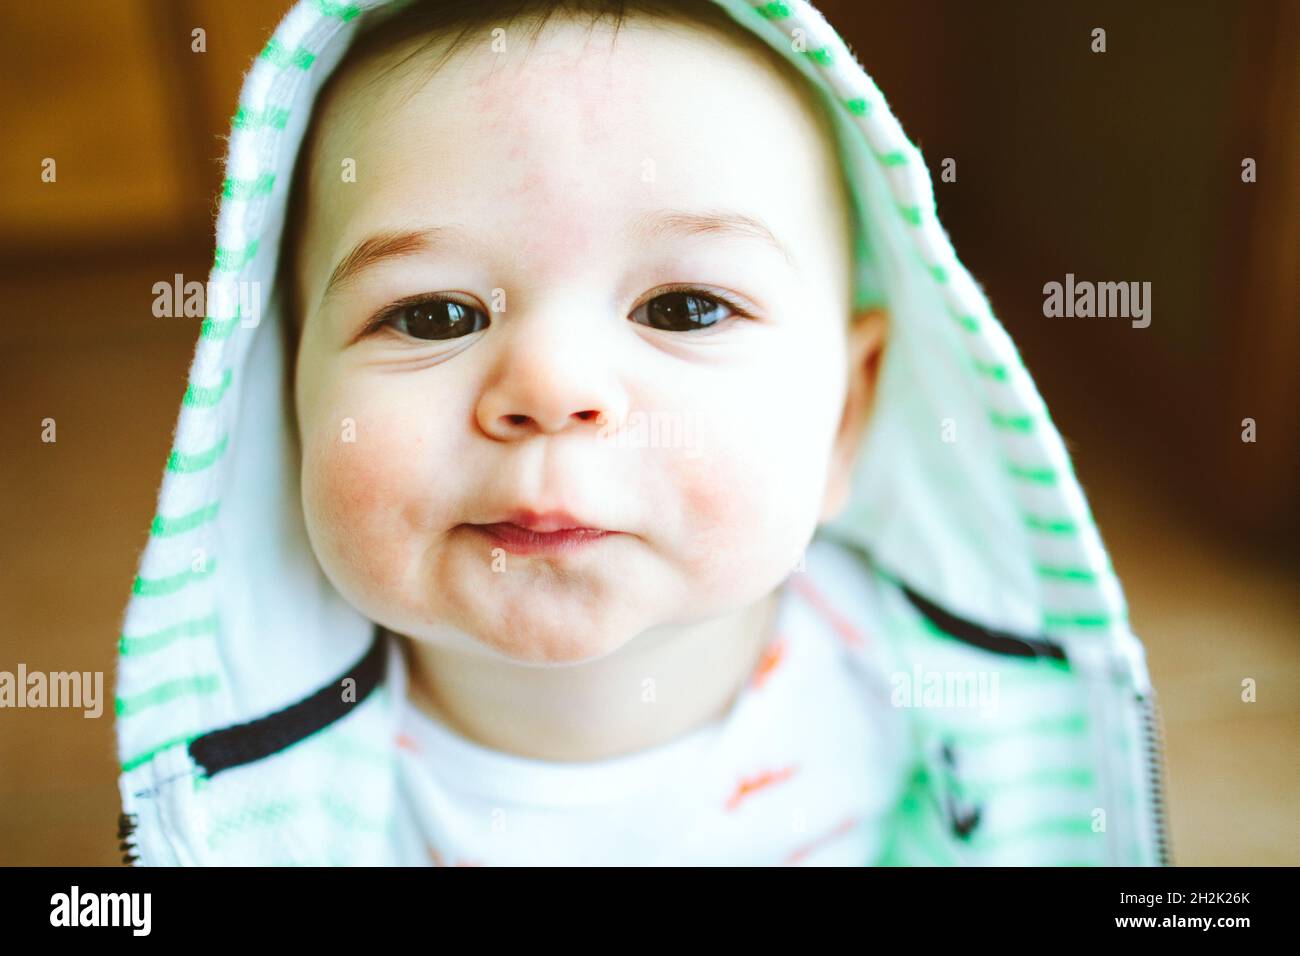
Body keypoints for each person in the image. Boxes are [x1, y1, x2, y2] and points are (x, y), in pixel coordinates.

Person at [113, 0, 1169, 866]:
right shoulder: (260, 806)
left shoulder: (940, 707)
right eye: (433, 314)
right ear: (278, 400)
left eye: (684, 308)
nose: (551, 387)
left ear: (846, 413)